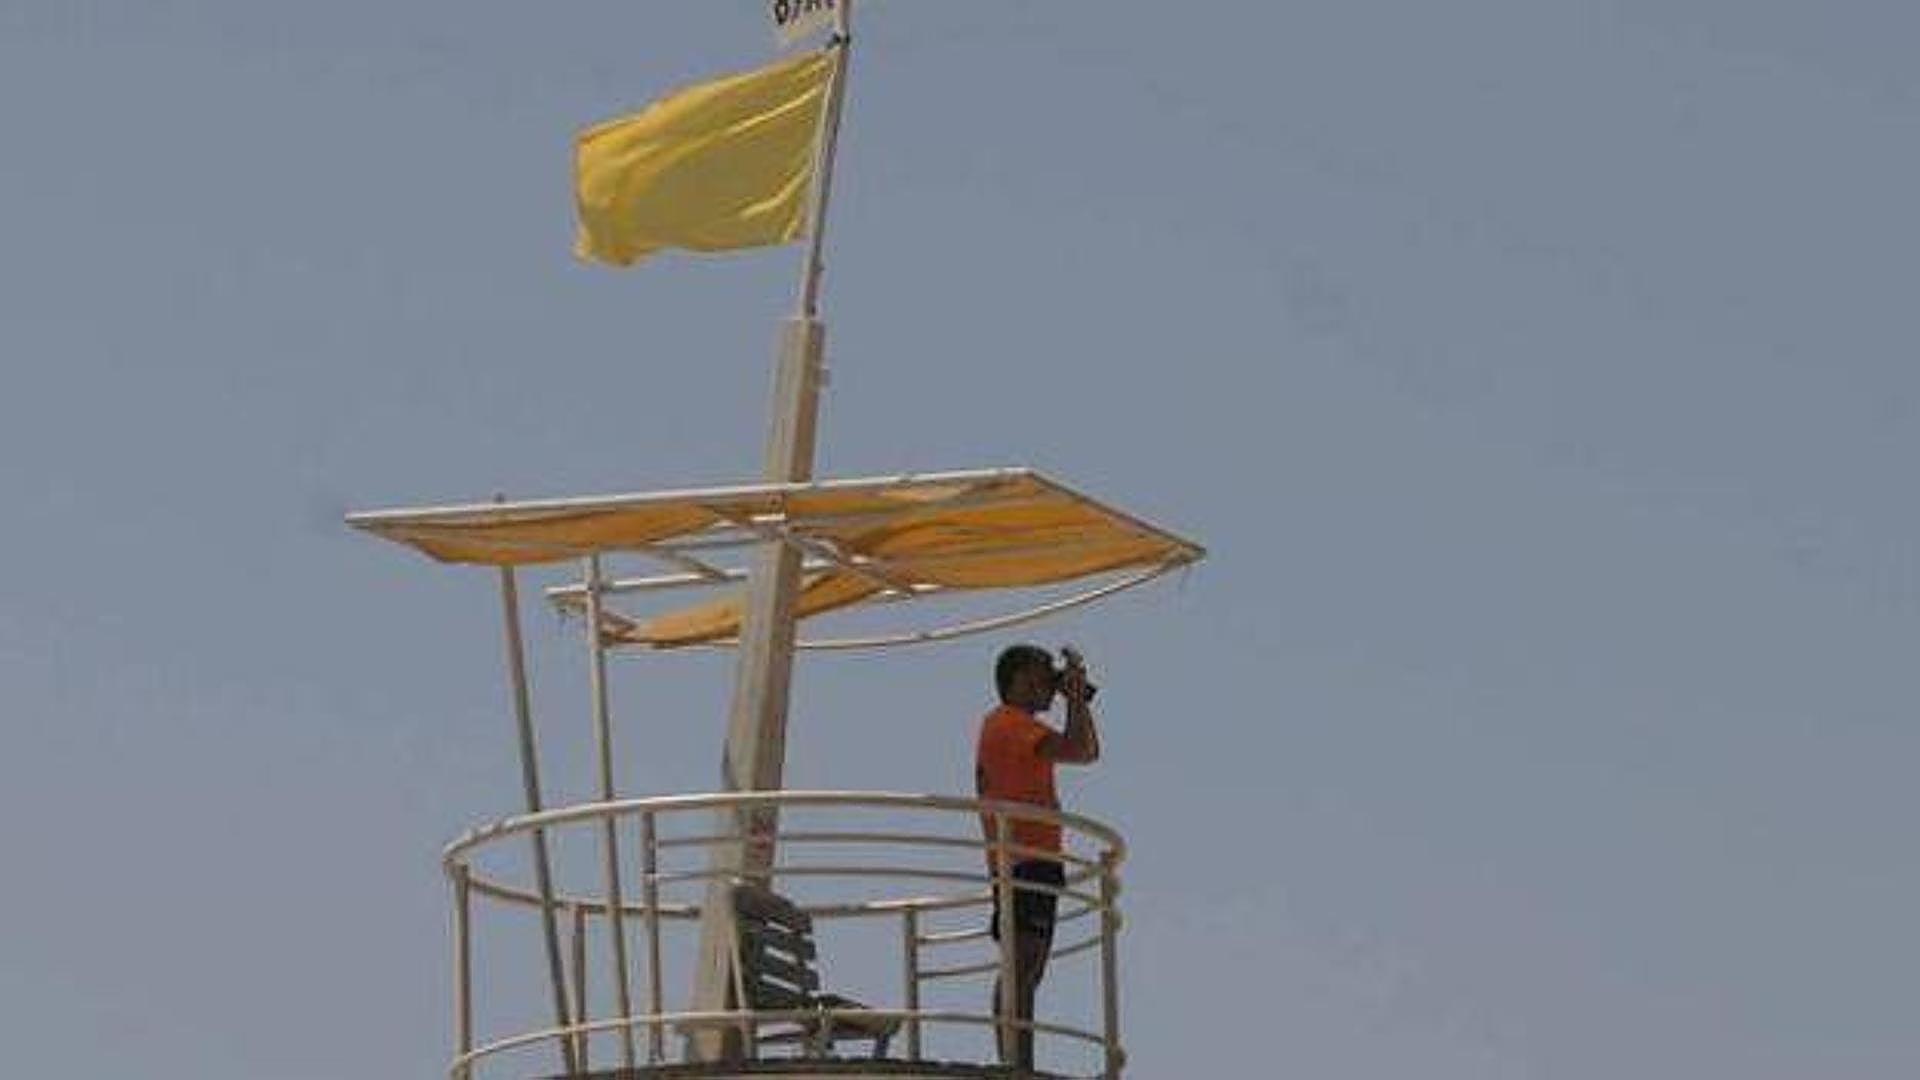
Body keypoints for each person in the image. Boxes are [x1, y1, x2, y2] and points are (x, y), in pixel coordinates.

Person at [974, 643, 1100, 1073]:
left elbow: (1084, 750)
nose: (1051, 683)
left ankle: (1015, 1060)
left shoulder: (1009, 726)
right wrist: (1076, 697)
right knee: (1022, 966)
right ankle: (1018, 1064)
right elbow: (1081, 749)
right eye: (1046, 674)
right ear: (1022, 677)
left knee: (1026, 968)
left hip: (1030, 859)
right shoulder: (1009, 723)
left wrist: (1075, 696)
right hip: (1025, 859)